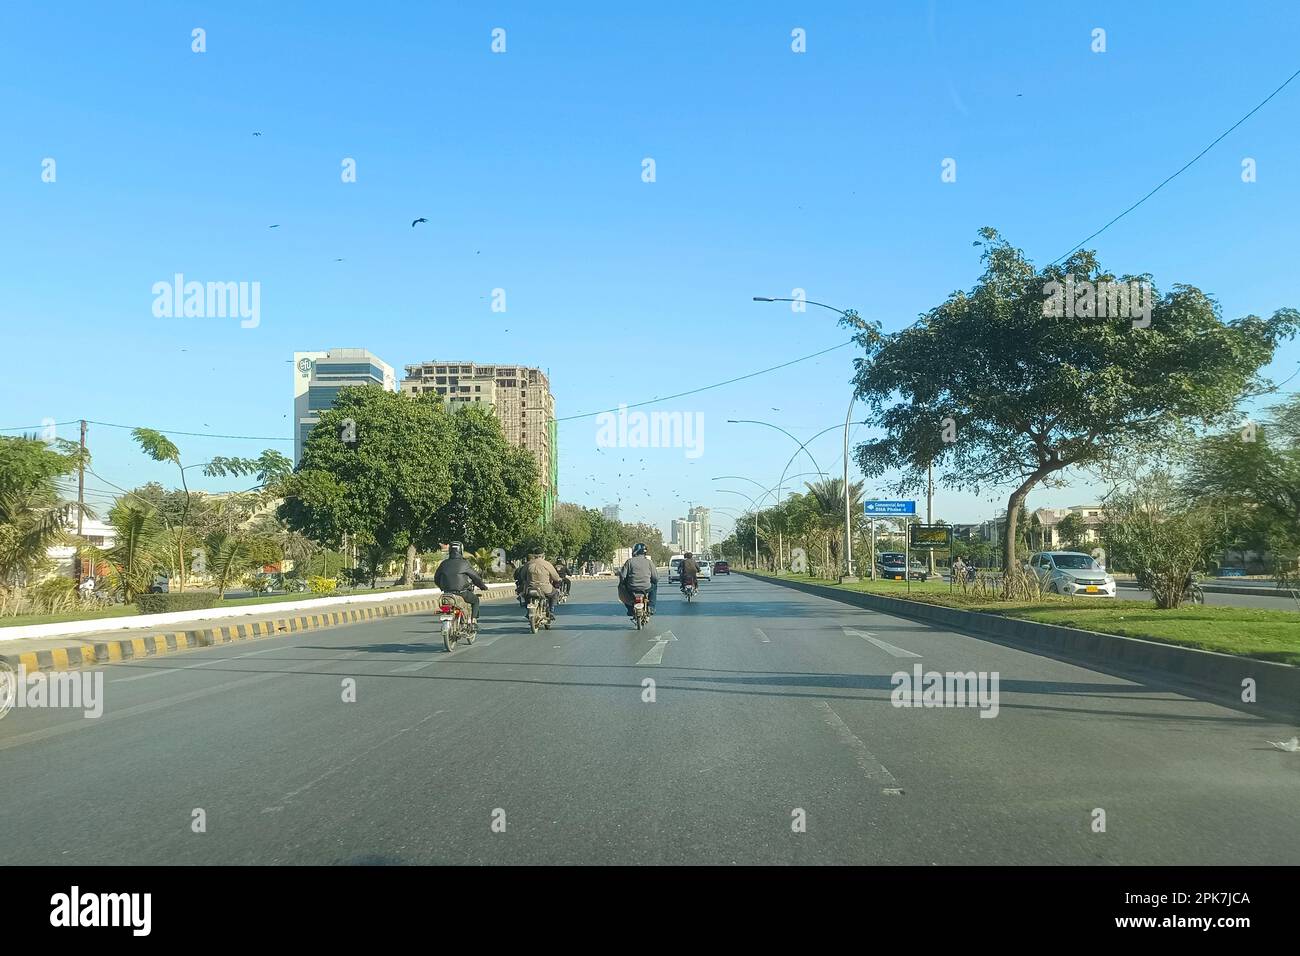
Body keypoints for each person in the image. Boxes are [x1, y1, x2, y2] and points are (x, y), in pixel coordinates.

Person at [434, 542, 488, 624]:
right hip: (462, 593)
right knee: (476, 600)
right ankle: (473, 620)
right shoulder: (464, 563)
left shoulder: (444, 563)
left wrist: (442, 587)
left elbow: (436, 578)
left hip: (447, 594)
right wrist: (482, 586)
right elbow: (475, 577)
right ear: (461, 551)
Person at [617, 543, 658, 616]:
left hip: (632, 588)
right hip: (646, 588)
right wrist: (654, 581)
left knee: (622, 590)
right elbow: (655, 577)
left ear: (635, 551)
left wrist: (623, 583)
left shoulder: (629, 562)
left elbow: (623, 576)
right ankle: (651, 607)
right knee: (654, 586)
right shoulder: (649, 562)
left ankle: (630, 609)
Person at [522, 550, 563, 618]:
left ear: (534, 555)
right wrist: (559, 579)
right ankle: (551, 611)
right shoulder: (547, 564)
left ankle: (528, 611)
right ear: (543, 556)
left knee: (525, 596)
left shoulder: (528, 564)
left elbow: (522, 575)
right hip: (545, 588)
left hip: (530, 587)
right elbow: (555, 577)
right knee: (554, 593)